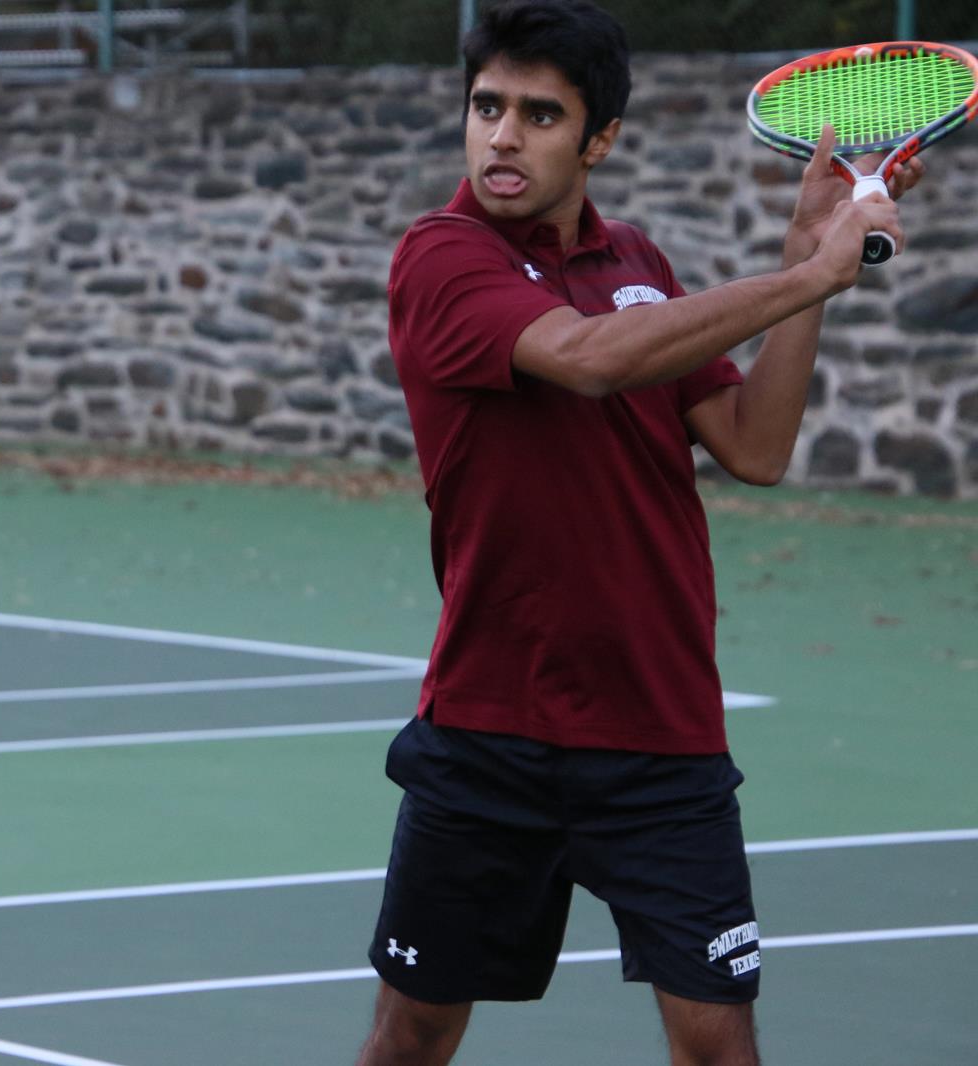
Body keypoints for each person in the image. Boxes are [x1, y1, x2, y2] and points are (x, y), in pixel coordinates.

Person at [355, 2, 921, 1064]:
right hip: (488, 728)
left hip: (660, 731)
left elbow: (753, 446)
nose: (501, 136)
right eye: (486, 107)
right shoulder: (439, 257)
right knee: (414, 1032)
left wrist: (806, 271)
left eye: (538, 114)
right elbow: (587, 357)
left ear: (598, 139)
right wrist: (810, 273)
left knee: (716, 1039)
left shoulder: (639, 262)